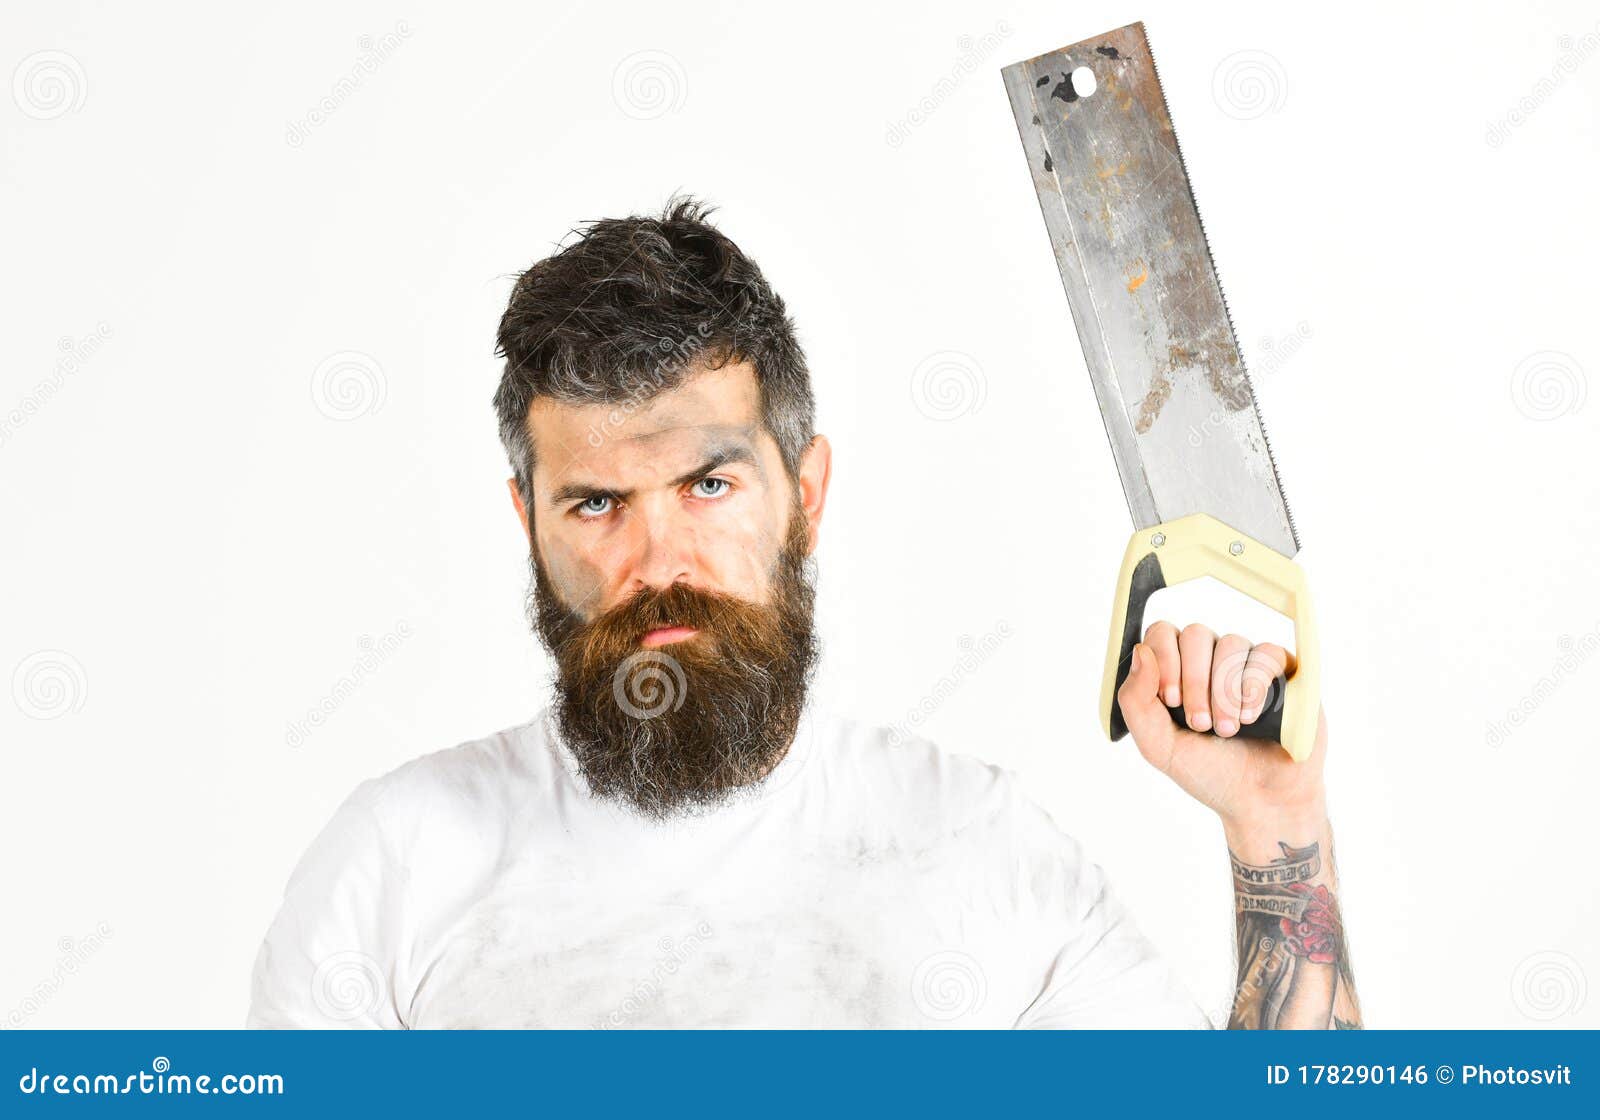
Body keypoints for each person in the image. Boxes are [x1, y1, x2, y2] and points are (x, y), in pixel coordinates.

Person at [247, 199, 1361, 1029]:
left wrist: (1276, 823)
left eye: (708, 484)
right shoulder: (394, 865)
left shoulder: (981, 852)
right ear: (527, 521)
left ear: (806, 494)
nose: (657, 561)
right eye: (595, 503)